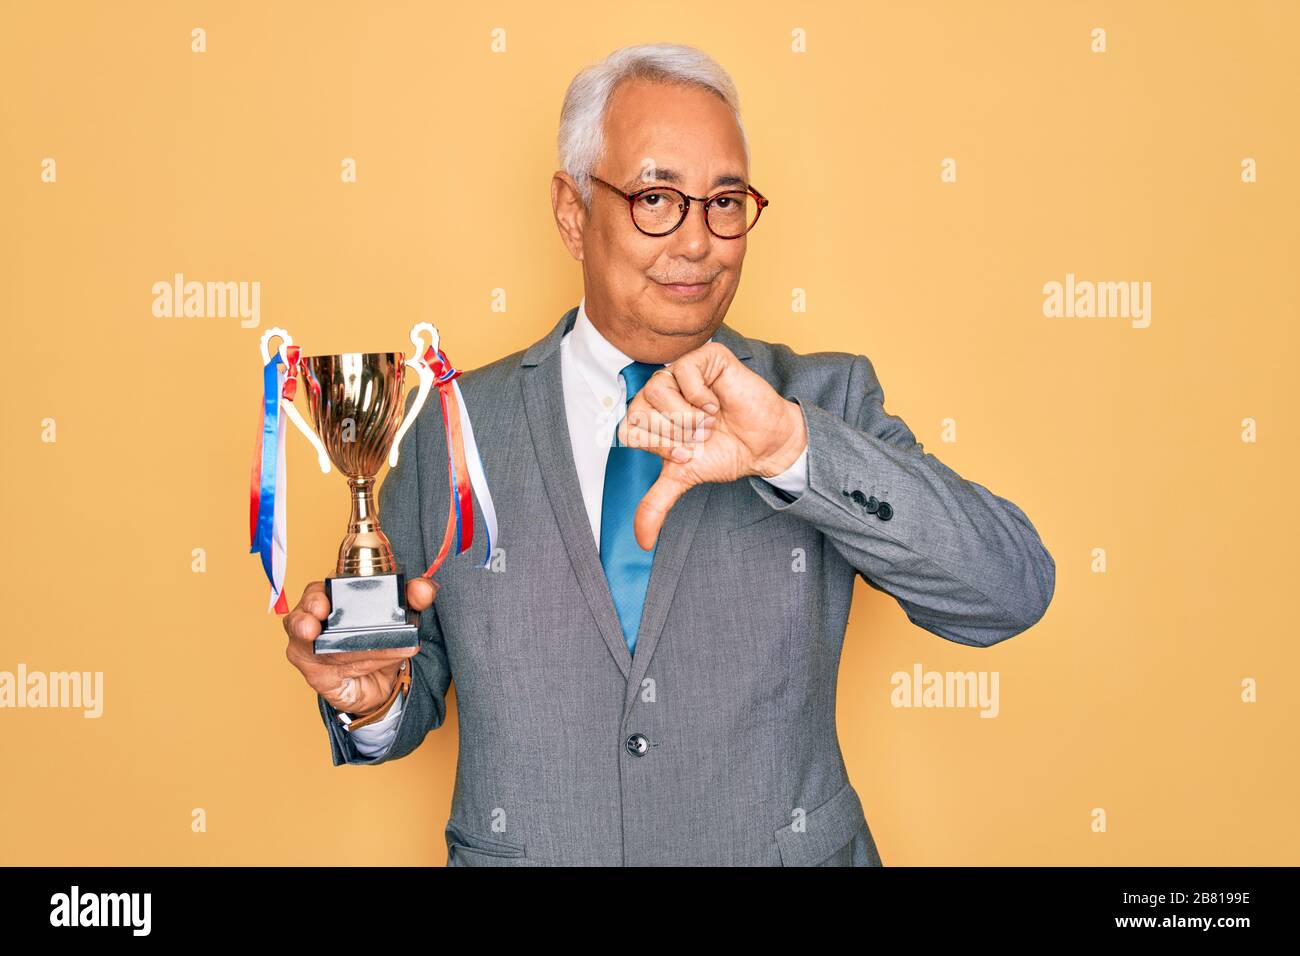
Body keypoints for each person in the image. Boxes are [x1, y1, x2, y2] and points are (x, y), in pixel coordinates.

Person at [281, 43, 1055, 866]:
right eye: (656, 197)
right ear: (573, 211)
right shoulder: (449, 424)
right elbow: (414, 677)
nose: (699, 242)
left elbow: (1008, 592)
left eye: (725, 201)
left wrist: (794, 450)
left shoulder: (823, 403)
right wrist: (371, 705)